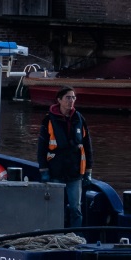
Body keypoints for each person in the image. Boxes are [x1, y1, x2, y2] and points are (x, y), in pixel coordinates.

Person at [39, 86, 94, 227]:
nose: (71, 101)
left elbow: (87, 145)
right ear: (59, 100)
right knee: (56, 208)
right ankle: (56, 236)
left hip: (75, 172)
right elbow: (42, 147)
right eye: (68, 97)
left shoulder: (79, 119)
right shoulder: (49, 120)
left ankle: (76, 237)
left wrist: (88, 171)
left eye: (73, 97)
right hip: (56, 171)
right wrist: (44, 170)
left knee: (76, 208)